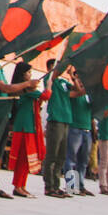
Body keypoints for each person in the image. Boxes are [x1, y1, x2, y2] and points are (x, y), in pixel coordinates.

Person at [0, 55, 37, 199]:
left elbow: (8, 92)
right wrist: (26, 84)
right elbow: (4, 87)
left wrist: (26, 88)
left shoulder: (0, 68)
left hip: (4, 114)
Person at [6, 62, 49, 198]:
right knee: (23, 159)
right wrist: (50, 81)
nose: (31, 75)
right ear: (22, 74)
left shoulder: (29, 90)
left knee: (25, 159)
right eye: (29, 72)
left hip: (29, 126)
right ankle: (18, 186)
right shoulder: (26, 90)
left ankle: (21, 185)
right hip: (25, 126)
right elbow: (46, 95)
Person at [42, 62, 73, 197]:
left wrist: (73, 76)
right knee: (52, 155)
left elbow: (79, 91)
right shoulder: (49, 79)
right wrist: (63, 63)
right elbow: (54, 75)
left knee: (61, 156)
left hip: (66, 120)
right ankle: (49, 186)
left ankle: (56, 185)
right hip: (56, 120)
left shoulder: (64, 83)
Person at [63, 73, 95, 195]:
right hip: (75, 129)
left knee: (83, 160)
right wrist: (74, 79)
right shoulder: (74, 93)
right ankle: (70, 186)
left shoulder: (88, 96)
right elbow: (79, 91)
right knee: (71, 158)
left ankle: (80, 185)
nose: (81, 82)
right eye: (79, 80)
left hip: (87, 130)